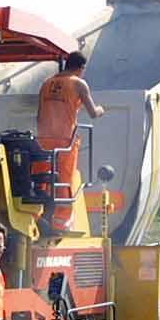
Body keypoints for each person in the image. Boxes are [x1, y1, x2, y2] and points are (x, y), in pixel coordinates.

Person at [35, 50, 104, 232]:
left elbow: (39, 114)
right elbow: (92, 113)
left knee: (42, 179)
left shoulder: (46, 84)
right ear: (81, 68)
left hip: (43, 138)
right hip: (65, 138)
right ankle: (61, 221)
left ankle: (37, 215)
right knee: (65, 179)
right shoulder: (79, 84)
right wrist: (101, 110)